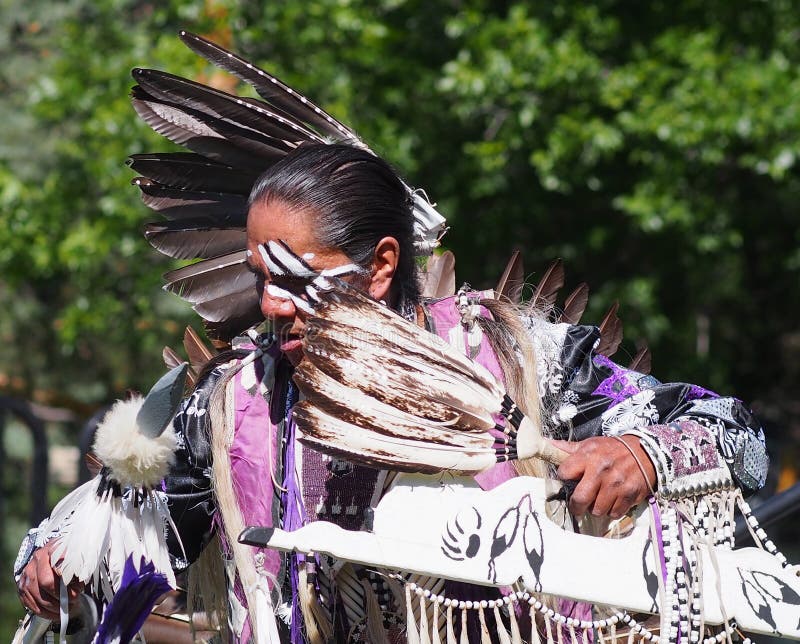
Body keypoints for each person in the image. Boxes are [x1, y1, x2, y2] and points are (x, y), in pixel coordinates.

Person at [16, 142, 768, 643]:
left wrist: (642, 451)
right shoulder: (236, 402)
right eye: (258, 275)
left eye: (294, 275)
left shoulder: (508, 358)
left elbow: (732, 428)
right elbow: (142, 523)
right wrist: (63, 551)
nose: (272, 303)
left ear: (380, 265)